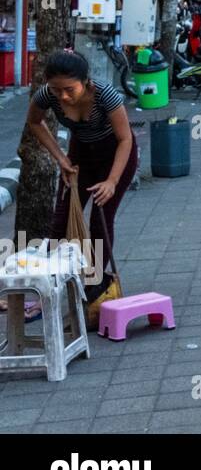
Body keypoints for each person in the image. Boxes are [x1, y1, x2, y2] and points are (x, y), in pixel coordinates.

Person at [10, 51, 138, 320]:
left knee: (100, 221)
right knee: (61, 220)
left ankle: (93, 288)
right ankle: (46, 294)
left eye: (69, 89)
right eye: (57, 90)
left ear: (86, 81)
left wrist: (112, 182)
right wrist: (62, 159)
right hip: (81, 156)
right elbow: (34, 122)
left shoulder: (106, 95)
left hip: (116, 156)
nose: (63, 96)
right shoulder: (47, 94)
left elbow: (125, 139)